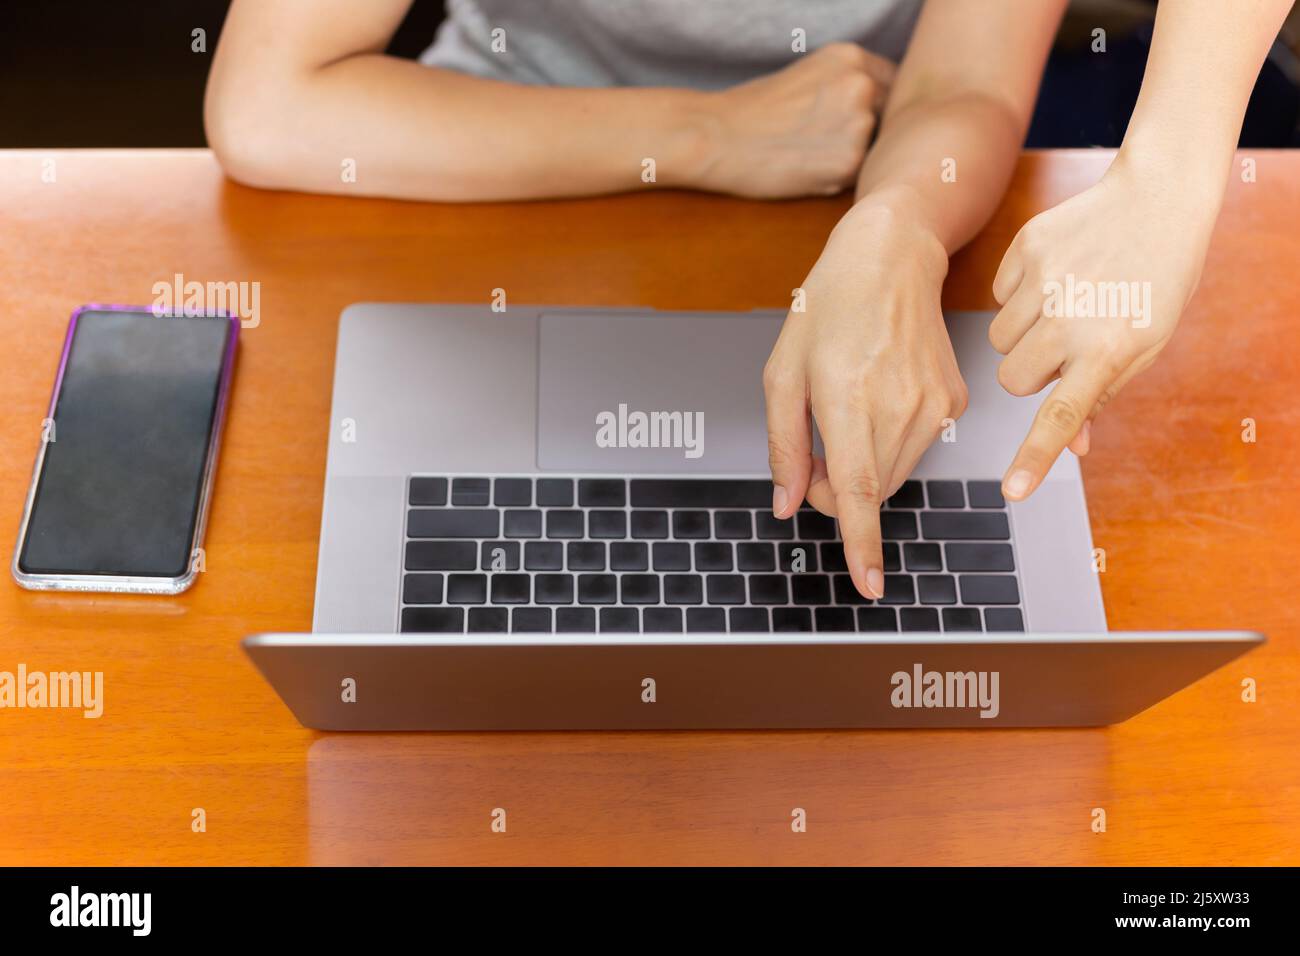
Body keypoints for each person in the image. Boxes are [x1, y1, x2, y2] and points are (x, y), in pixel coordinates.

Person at [206, 0, 1294, 599]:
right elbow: (266, 102)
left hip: (853, 173)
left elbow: (960, 80)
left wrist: (897, 223)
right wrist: (701, 136)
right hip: (484, 159)